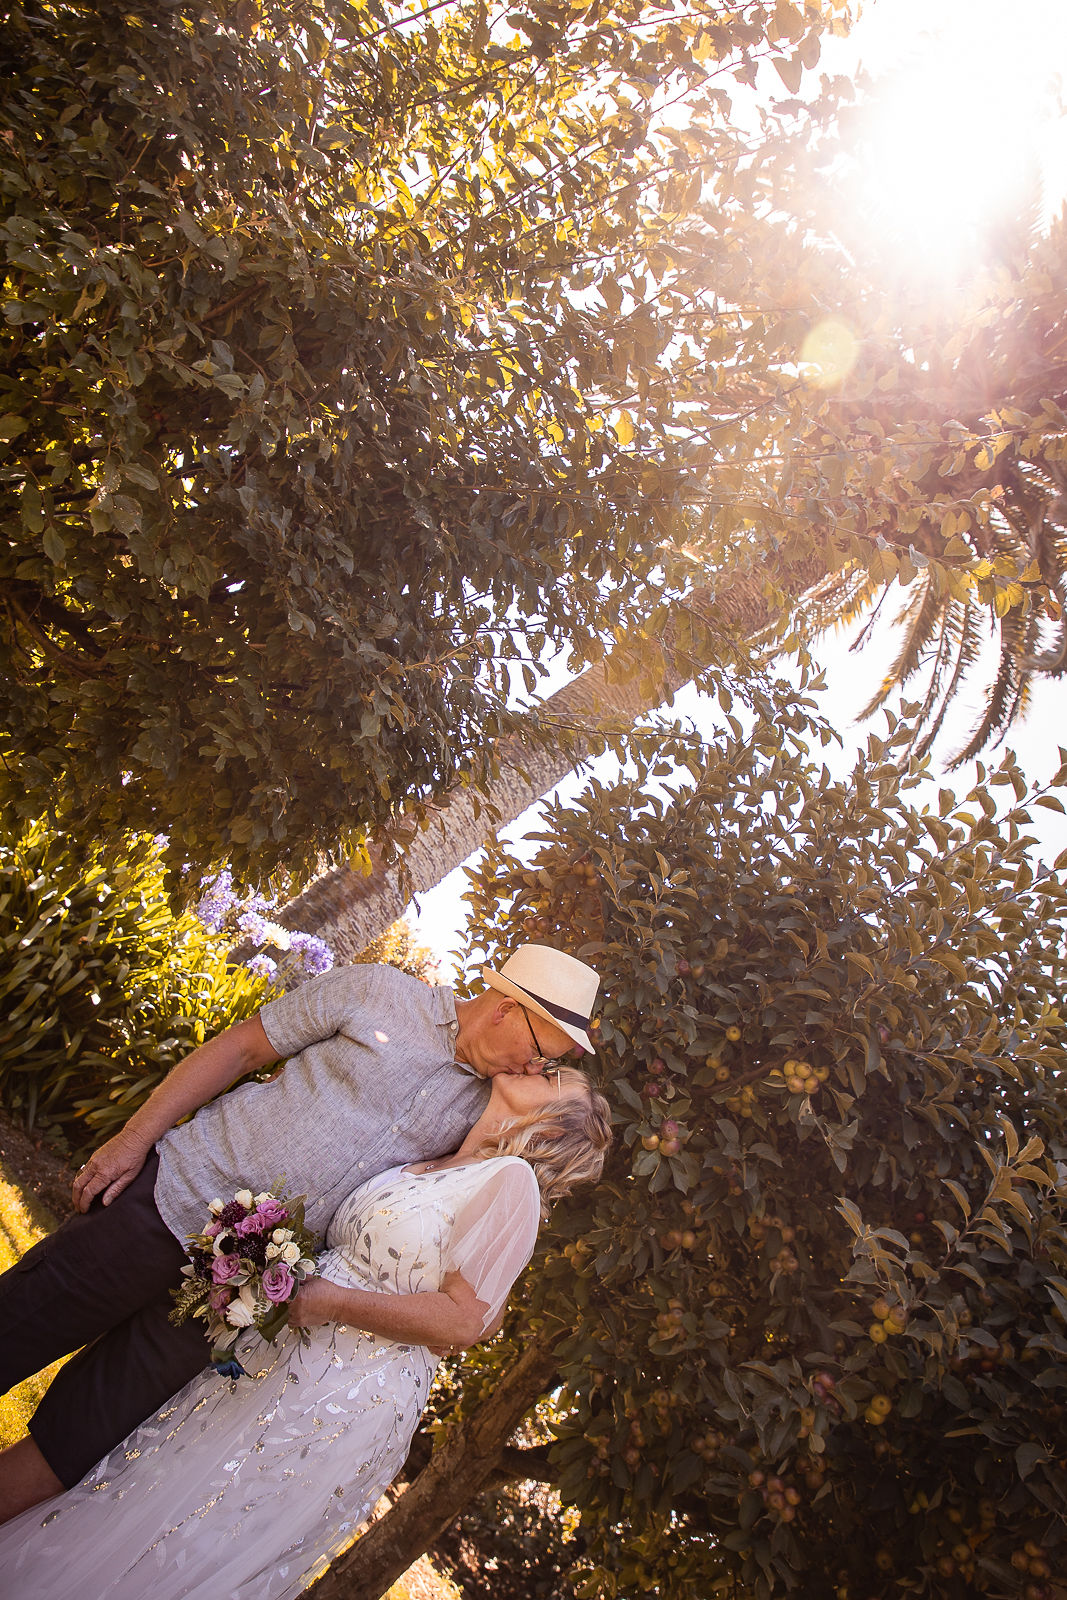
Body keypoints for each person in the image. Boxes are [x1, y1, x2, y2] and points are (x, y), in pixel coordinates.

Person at [0, 943, 602, 1520]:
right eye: (537, 1048)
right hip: (168, 1203)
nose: (533, 1067)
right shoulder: (377, 991)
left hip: (236, 1297)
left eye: (546, 1064)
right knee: (17, 1325)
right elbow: (241, 1050)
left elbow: (473, 1234)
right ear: (505, 1007)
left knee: (78, 1440)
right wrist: (133, 1140)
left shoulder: (487, 1115)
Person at [0, 1064, 613, 1600]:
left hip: (343, 1394)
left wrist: (333, 1300)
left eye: (555, 1079)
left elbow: (466, 1319)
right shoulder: (446, 1158)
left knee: (198, 1528)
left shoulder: (513, 1184)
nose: (540, 1065)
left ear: (553, 1126)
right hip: (281, 1354)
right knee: (154, 1485)